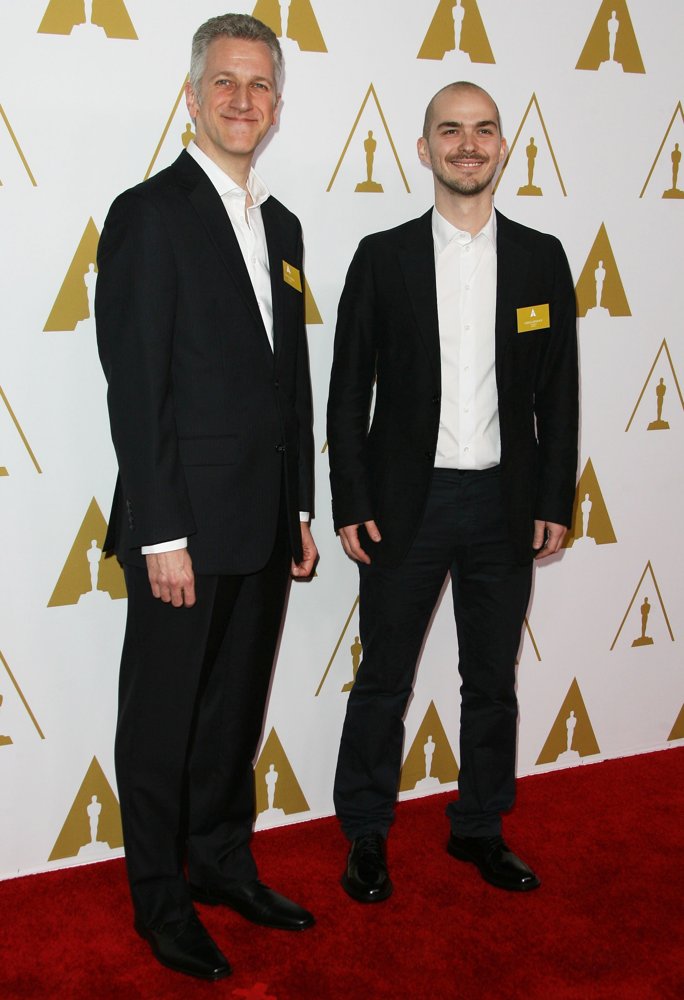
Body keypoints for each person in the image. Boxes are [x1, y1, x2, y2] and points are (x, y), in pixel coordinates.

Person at [96, 13, 317, 981]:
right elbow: (136, 384)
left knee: (232, 714)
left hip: (263, 520)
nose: (242, 99)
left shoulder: (284, 226)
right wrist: (160, 531)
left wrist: (299, 507)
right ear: (191, 98)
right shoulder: (149, 214)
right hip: (181, 528)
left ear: (277, 105)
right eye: (224, 81)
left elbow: (288, 378)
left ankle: (224, 864)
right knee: (162, 723)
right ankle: (160, 900)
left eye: (259, 84)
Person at [327, 81, 578, 903]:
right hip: (407, 506)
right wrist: (351, 499)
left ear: (503, 146)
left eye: (483, 130)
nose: (467, 145)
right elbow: (347, 392)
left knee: (492, 681)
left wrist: (553, 499)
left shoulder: (542, 258)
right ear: (424, 147)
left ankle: (479, 826)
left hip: (505, 506)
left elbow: (559, 393)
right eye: (450, 130)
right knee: (384, 679)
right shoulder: (382, 256)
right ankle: (367, 832)